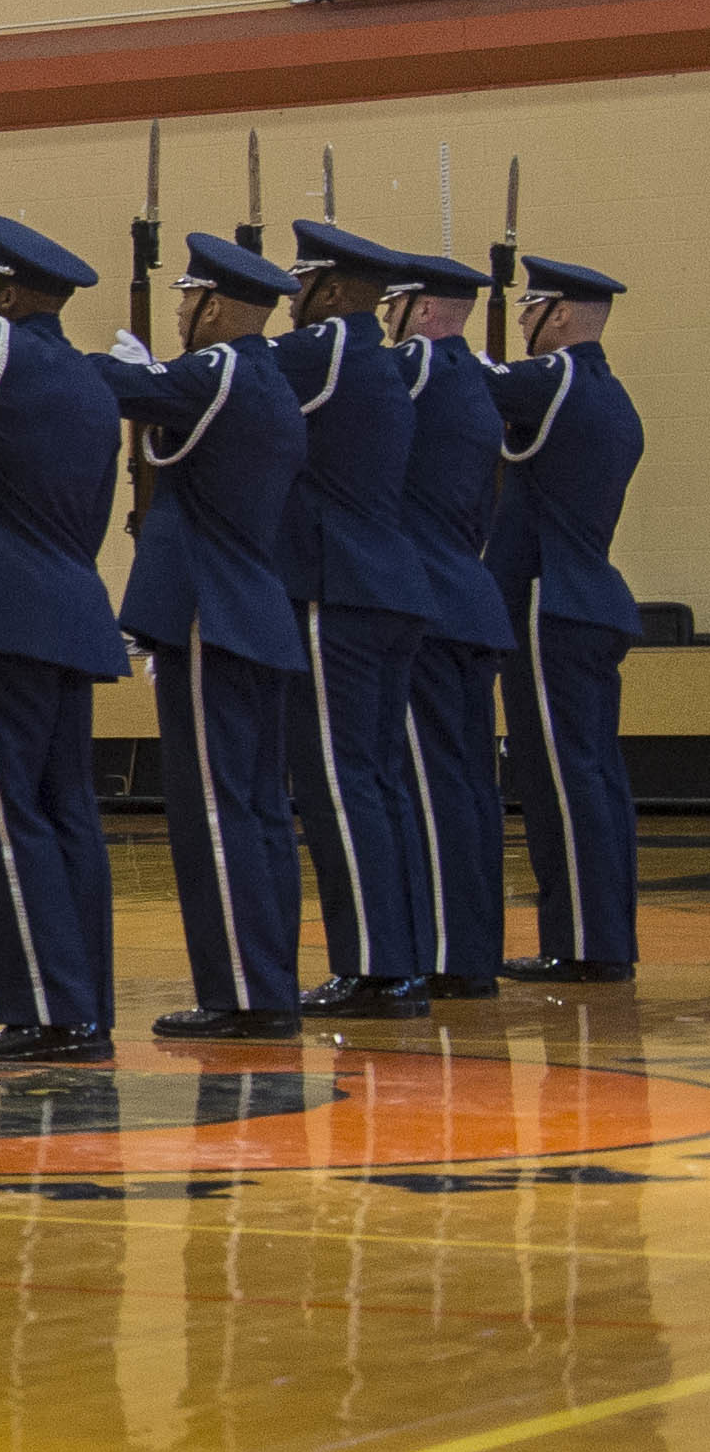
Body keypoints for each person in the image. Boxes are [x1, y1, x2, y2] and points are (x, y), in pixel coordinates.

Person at [0, 217, 134, 1064]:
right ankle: (85, 1005)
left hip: (0, 610)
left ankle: (45, 1011)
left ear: (4, 291)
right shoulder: (85, 378)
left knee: (7, 818)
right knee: (68, 813)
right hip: (71, 607)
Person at [96, 229, 313, 1038]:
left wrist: (117, 367)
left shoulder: (222, 370)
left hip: (209, 613)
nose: (183, 312)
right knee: (256, 812)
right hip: (251, 613)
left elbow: (125, 389)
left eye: (188, 299)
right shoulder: (264, 379)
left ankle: (241, 996)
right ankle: (268, 984)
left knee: (215, 814)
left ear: (215, 304)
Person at [272, 219, 447, 1015]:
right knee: (377, 783)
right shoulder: (372, 358)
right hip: (386, 585)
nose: (289, 295)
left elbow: (228, 385)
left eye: (300, 281)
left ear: (333, 291)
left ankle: (374, 969)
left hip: (336, 585)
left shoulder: (326, 349)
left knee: (338, 781)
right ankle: (399, 955)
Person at [489, 251, 642, 982]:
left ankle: (581, 945)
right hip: (589, 599)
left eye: (530, 308)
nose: (522, 320)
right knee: (594, 776)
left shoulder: (558, 381)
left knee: (563, 780)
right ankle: (600, 937)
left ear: (561, 315)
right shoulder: (612, 395)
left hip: (552, 599)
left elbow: (464, 385)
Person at [381, 240, 518, 998]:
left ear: (422, 309)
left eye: (390, 304)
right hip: (468, 595)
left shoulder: (423, 367)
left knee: (430, 784)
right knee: (465, 787)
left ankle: (443, 955)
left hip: (427, 601)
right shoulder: (475, 381)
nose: (382, 320)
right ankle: (469, 944)